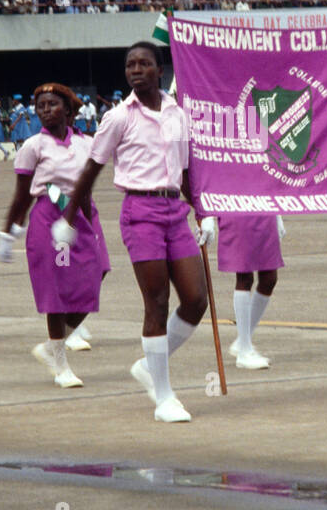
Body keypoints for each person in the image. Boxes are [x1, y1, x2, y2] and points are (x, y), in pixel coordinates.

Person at [54, 42, 210, 423]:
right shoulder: (118, 117)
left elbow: (187, 170)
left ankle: (149, 365)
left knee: (195, 299)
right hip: (139, 211)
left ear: (161, 71)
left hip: (176, 209)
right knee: (156, 302)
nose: (136, 70)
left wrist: (205, 213)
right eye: (130, 65)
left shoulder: (178, 114)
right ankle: (164, 395)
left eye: (144, 64)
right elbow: (91, 169)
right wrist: (69, 218)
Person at [1, 82, 111, 387]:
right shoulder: (33, 146)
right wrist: (9, 232)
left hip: (79, 217)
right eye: (41, 107)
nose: (46, 111)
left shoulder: (87, 144)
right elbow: (21, 196)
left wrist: (93, 232)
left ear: (68, 109)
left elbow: (86, 190)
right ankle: (61, 364)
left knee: (93, 278)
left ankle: (52, 346)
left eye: (52, 105)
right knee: (58, 290)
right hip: (49, 218)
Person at [214, 211, 284, 371]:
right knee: (245, 277)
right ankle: (244, 351)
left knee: (269, 278)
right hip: (238, 205)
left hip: (263, 206)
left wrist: (278, 213)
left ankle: (241, 341)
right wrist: (207, 216)